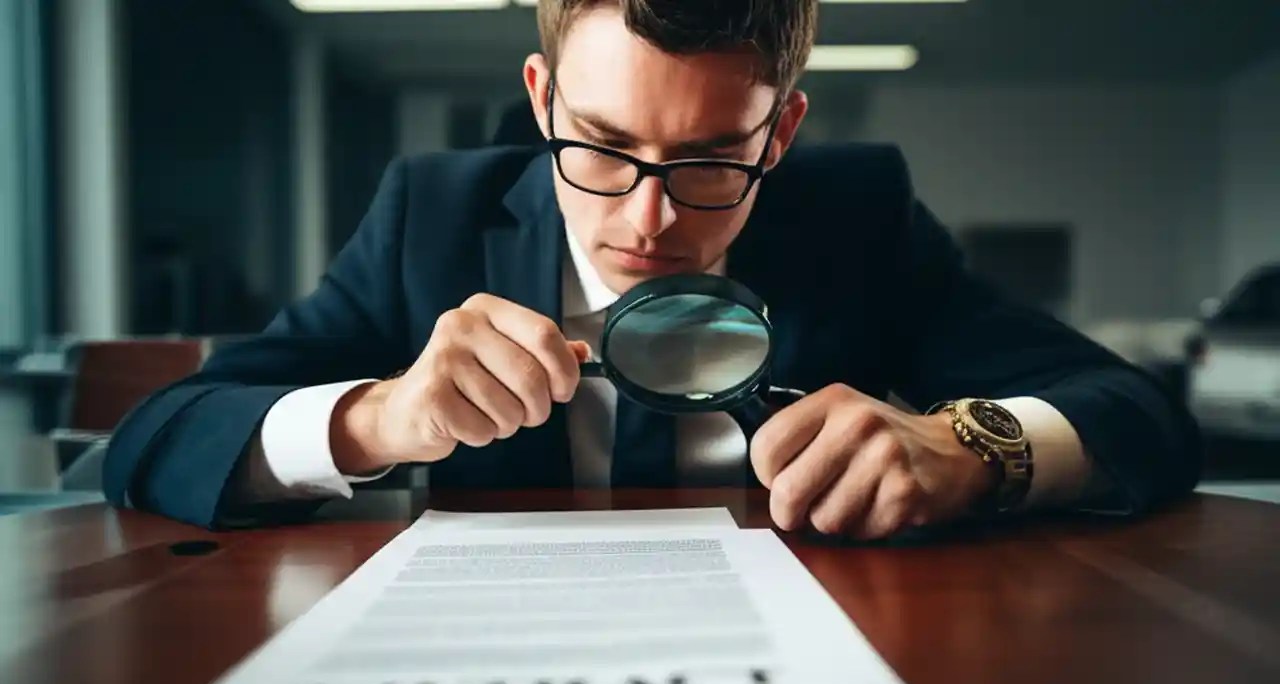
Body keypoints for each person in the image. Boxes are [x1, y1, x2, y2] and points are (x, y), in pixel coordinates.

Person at [104, 0, 1199, 533]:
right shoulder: (429, 216)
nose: (648, 217)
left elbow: (1136, 411)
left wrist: (972, 446)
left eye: (713, 158)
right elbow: (156, 438)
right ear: (539, 99)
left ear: (779, 135)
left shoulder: (855, 211)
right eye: (600, 145)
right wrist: (375, 420)